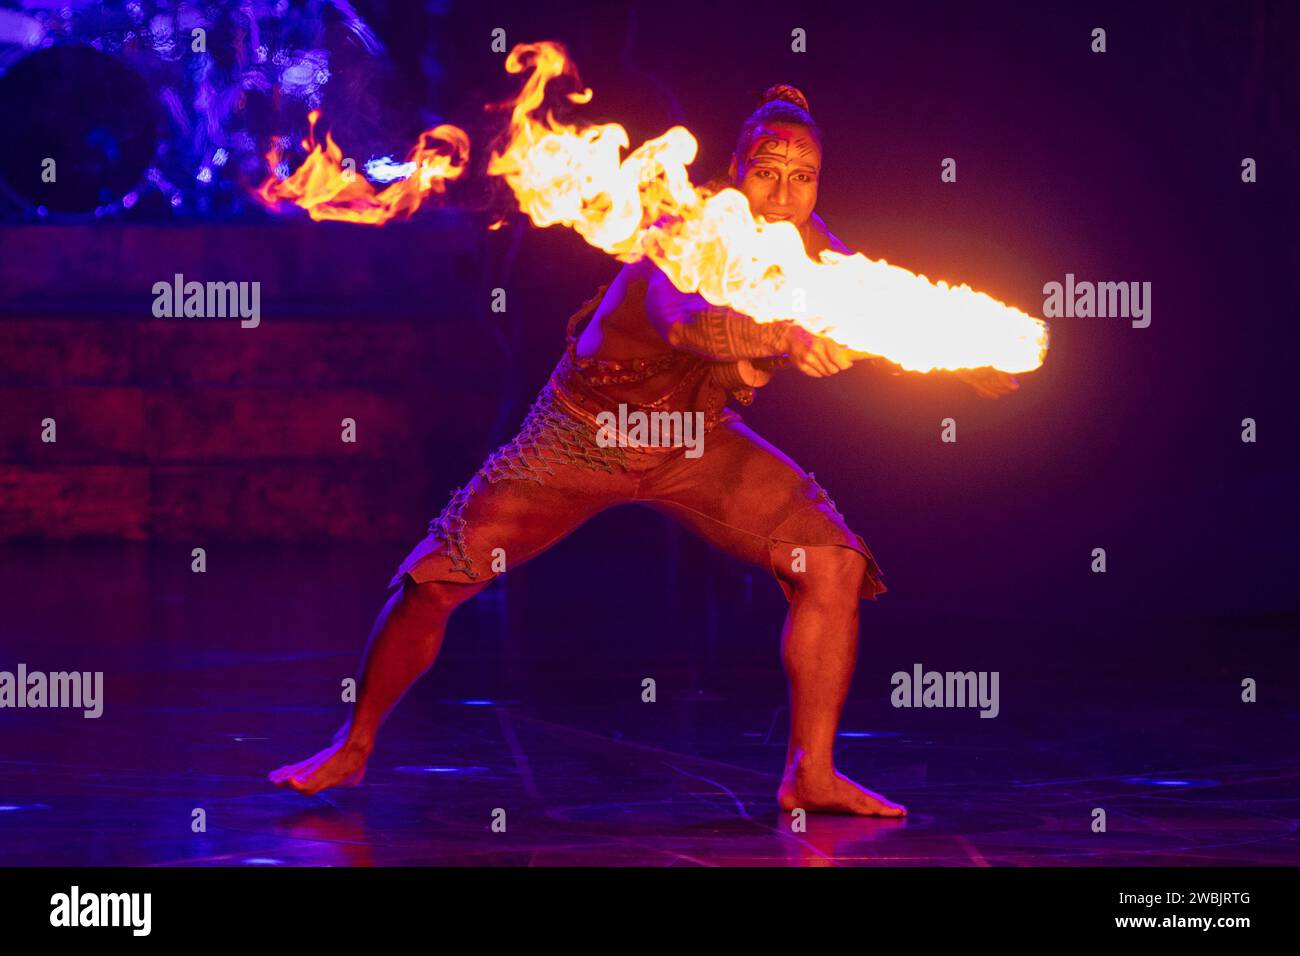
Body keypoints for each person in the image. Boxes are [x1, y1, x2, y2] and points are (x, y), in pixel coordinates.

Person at [270, 84, 1013, 814]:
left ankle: (809, 775)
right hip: (584, 437)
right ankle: (354, 745)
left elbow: (867, 312)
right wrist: (786, 337)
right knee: (433, 583)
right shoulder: (683, 228)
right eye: (767, 173)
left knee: (834, 563)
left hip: (692, 442)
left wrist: (970, 361)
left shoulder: (811, 245)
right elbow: (685, 324)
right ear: (734, 170)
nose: (784, 195)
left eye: (804, 178)